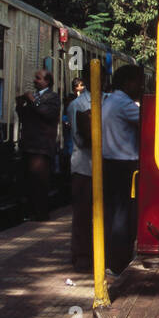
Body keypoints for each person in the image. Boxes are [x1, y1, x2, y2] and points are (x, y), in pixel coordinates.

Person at [102, 64, 143, 275]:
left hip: (109, 163)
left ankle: (112, 260)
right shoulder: (126, 105)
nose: (141, 86)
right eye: (138, 82)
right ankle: (119, 263)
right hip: (125, 165)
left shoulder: (110, 101)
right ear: (128, 83)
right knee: (123, 217)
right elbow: (149, 121)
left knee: (113, 215)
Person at [15, 69, 61, 221]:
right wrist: (20, 105)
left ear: (47, 82)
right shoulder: (33, 97)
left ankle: (41, 213)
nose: (35, 81)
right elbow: (25, 117)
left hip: (42, 146)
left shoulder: (52, 97)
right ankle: (32, 211)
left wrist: (33, 101)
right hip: (29, 144)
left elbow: (47, 113)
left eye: (38, 78)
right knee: (29, 181)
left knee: (40, 181)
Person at [67, 77, 93, 271]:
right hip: (85, 165)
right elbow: (83, 138)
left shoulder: (79, 103)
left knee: (83, 214)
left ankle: (83, 254)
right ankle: (82, 255)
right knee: (84, 214)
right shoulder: (80, 104)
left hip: (85, 165)